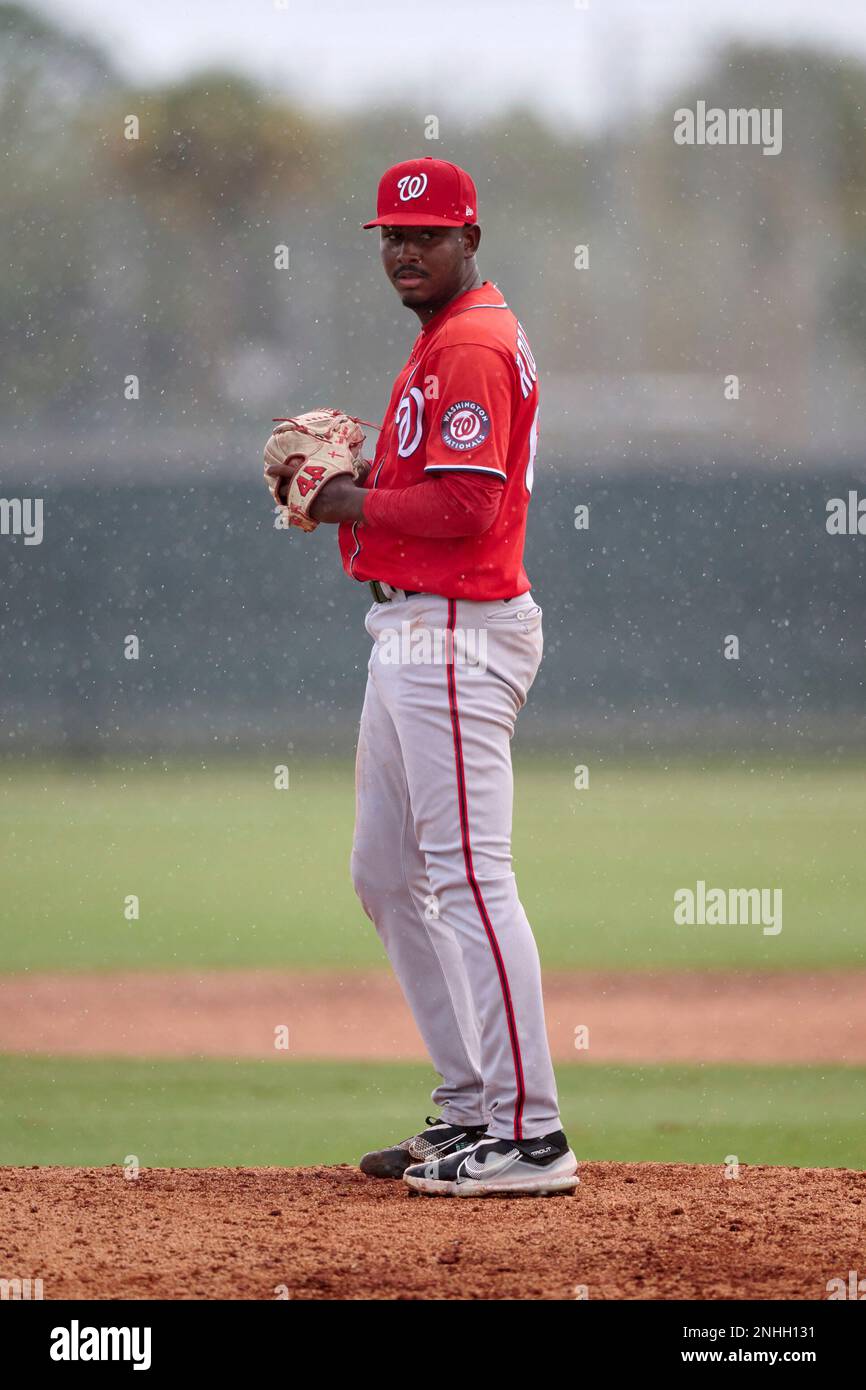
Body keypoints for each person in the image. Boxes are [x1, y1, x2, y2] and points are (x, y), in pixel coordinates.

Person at [267, 157, 577, 1197]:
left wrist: (346, 499)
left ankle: (530, 1136)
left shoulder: (474, 345)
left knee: (469, 879)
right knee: (385, 873)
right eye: (392, 236)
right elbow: (434, 488)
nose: (405, 250)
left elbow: (467, 512)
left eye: (428, 234)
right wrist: (362, 475)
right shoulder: (440, 345)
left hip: (454, 634)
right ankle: (471, 1104)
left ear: (469, 240)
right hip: (411, 633)